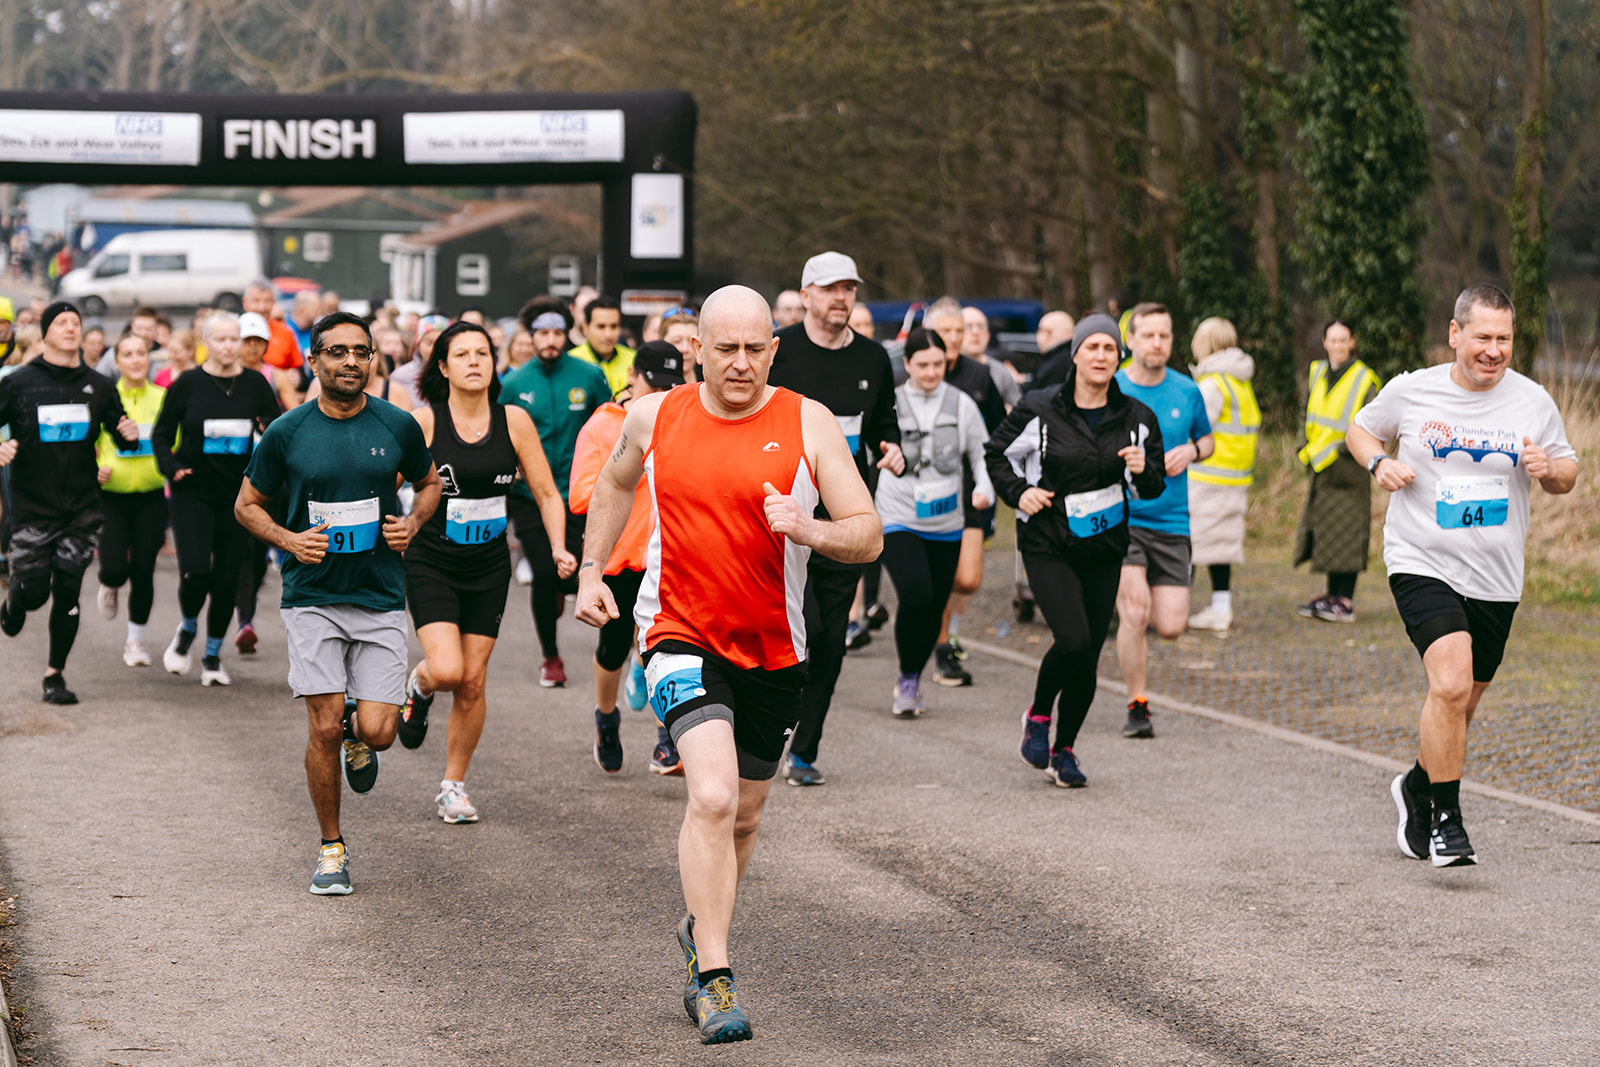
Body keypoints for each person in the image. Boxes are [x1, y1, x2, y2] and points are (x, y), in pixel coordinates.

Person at [575, 285, 881, 1043]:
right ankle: (713, 975)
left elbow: (868, 531)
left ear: (773, 350)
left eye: (755, 348)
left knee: (744, 814)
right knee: (710, 795)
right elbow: (613, 483)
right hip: (679, 632)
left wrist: (808, 527)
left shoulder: (807, 420)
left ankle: (698, 924)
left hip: (776, 648)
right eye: (725, 348)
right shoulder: (654, 416)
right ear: (697, 350)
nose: (740, 362)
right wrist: (590, 571)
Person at [1348, 284, 1576, 868]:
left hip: (1496, 576)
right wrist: (1380, 461)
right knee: (1448, 684)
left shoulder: (1533, 400)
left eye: (1504, 339)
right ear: (1455, 334)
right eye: (1482, 337)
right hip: (1421, 559)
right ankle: (1446, 819)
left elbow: (1568, 471)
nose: (1494, 350)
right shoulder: (1412, 389)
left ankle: (1416, 785)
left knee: (1462, 705)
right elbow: (1360, 429)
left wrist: (1550, 470)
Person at [236, 311, 442, 895]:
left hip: (378, 593)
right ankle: (331, 848)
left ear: (373, 360)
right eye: (337, 352)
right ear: (314, 360)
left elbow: (428, 485)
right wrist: (289, 539)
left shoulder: (398, 425)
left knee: (379, 732)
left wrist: (413, 524)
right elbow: (246, 505)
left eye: (360, 352)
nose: (350, 361)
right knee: (322, 726)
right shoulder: (288, 432)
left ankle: (360, 733)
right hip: (313, 597)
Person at [397, 322, 574, 822]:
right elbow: (387, 486)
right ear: (444, 366)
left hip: (488, 567)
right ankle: (420, 687)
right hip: (432, 561)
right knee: (448, 670)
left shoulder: (513, 421)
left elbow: (545, 493)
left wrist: (559, 547)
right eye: (463, 354)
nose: (475, 361)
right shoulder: (425, 423)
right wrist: (397, 529)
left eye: (483, 353)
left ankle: (453, 786)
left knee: (473, 682)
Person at [987, 314, 1166, 786]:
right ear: (1076, 355)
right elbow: (996, 454)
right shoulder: (1040, 407)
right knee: (1075, 639)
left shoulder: (1136, 419)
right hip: (1047, 542)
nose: (1102, 356)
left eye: (1110, 348)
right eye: (1093, 348)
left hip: (1104, 545)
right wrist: (1018, 492)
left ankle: (1064, 751)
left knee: (1087, 658)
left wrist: (1144, 468)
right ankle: (1039, 717)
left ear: (1119, 357)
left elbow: (1151, 487)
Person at [767, 251, 902, 786]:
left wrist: (891, 448)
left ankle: (804, 750)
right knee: (802, 629)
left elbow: (882, 423)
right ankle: (768, 724)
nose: (841, 298)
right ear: (806, 295)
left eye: (849, 288)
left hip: (845, 522)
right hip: (783, 519)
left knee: (827, 640)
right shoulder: (780, 352)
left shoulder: (873, 358)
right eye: (829, 288)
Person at [0, 302, 140, 704]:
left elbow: (121, 432)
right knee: (34, 594)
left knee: (67, 588)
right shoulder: (20, 383)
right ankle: (16, 601)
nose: (69, 328)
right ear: (44, 333)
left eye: (75, 323)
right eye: (60, 322)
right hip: (31, 509)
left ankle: (54, 675)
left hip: (80, 508)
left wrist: (128, 435)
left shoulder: (98, 384)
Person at [568, 341, 688, 773]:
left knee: (665, 645)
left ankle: (666, 738)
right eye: (652, 385)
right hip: (620, 558)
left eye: (670, 386)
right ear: (632, 378)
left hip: (669, 555)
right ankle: (606, 718)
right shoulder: (604, 425)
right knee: (614, 647)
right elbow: (582, 495)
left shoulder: (684, 420)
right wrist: (635, 472)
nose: (660, 394)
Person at [151, 312, 282, 687]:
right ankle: (188, 626)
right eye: (221, 339)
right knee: (195, 573)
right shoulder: (188, 384)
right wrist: (171, 466)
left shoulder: (255, 384)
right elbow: (161, 434)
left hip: (237, 495)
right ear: (207, 341)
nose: (229, 346)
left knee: (226, 580)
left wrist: (264, 428)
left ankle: (211, 656)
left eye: (234, 339)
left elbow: (275, 429)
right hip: (193, 491)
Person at [873, 329, 993, 716]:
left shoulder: (961, 404)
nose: (930, 372)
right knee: (917, 594)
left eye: (938, 364)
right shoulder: (888, 402)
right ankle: (908, 680)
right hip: (898, 515)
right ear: (906, 364)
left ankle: (913, 674)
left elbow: (981, 454)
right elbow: (872, 443)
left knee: (936, 603)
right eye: (922, 364)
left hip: (946, 520)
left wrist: (984, 488)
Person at [1113, 303, 1213, 738]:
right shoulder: (1111, 386)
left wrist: (1191, 451)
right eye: (1149, 335)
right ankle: (1138, 704)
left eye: (1165, 336)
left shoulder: (1186, 390)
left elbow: (1206, 440)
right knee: (1135, 613)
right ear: (1130, 340)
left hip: (1172, 519)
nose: (1157, 343)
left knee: (1170, 624)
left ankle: (1128, 630)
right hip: (1122, 516)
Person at [501, 298, 609, 687]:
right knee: (546, 573)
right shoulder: (513, 383)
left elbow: (608, 425)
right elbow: (500, 434)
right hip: (530, 497)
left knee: (575, 575)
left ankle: (561, 596)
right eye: (542, 333)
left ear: (567, 335)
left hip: (580, 494)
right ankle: (550, 657)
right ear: (531, 337)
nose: (550, 340)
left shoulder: (590, 375)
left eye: (558, 333)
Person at [922, 297, 1005, 687]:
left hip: (971, 490)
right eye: (946, 331)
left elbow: (997, 432)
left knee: (968, 578)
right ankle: (941, 649)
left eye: (959, 330)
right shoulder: (917, 371)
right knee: (940, 574)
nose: (954, 337)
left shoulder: (978, 374)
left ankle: (948, 628)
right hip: (928, 492)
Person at [1294, 320, 1382, 622]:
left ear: (1352, 342)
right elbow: (1306, 411)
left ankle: (1345, 599)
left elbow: (1373, 424)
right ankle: (1331, 595)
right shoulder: (1317, 372)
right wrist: (1301, 446)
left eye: (1343, 340)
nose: (1338, 346)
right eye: (1333, 340)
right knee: (1327, 532)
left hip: (1349, 468)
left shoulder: (1365, 379)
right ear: (1324, 342)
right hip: (1320, 467)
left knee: (1348, 531)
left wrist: (1341, 450)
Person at [93, 335, 168, 666]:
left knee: (143, 569)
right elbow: (86, 441)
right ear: (118, 361)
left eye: (141, 353)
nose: (136, 360)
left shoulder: (164, 397)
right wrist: (95, 469)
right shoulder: (105, 397)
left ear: (149, 359)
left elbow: (174, 442)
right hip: (112, 497)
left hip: (152, 496)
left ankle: (135, 642)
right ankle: (109, 583)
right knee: (113, 568)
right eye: (128, 354)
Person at [1185, 318, 1260, 632]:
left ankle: (1174, 608)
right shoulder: (1239, 381)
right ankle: (1220, 608)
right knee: (1221, 547)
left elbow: (1191, 428)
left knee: (1185, 544)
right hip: (1232, 476)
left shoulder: (1213, 383)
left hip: (1204, 475)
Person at [569, 295, 635, 400]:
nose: (608, 334)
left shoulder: (634, 360)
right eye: (601, 327)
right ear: (585, 328)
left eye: (614, 326)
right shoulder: (571, 362)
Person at [962, 306, 1021, 410]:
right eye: (968, 326)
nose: (975, 332)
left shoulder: (1002, 372)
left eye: (981, 326)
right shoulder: (942, 368)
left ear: (988, 336)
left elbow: (1020, 411)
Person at [242, 280, 304, 377]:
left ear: (273, 303)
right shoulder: (232, 331)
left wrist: (296, 378)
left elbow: (300, 373)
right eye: (256, 301)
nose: (261, 307)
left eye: (267, 301)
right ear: (245, 302)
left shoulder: (285, 332)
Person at [1030, 310, 1076, 389]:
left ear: (1047, 333)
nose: (1037, 336)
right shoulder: (1070, 356)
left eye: (1039, 331)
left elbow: (1035, 392)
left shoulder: (1056, 363)